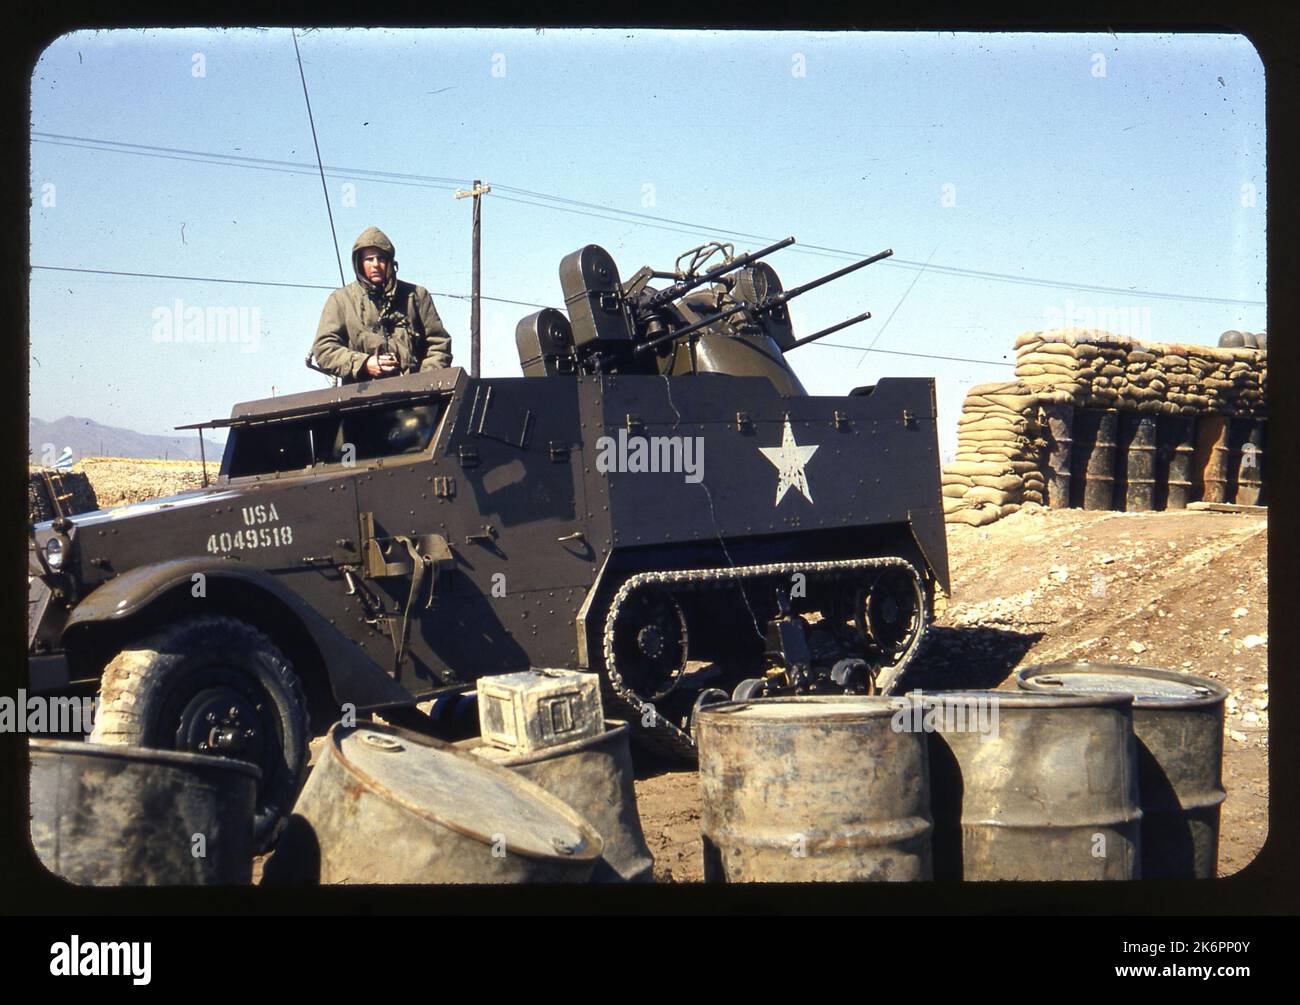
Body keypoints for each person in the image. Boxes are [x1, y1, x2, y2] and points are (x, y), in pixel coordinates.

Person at [311, 227, 453, 382]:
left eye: (381, 259)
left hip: (415, 397)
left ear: (390, 262)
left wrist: (423, 383)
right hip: (361, 398)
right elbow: (324, 349)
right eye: (369, 259)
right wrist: (364, 363)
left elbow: (439, 345)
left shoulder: (416, 296)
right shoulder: (341, 300)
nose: (375, 265)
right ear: (359, 264)